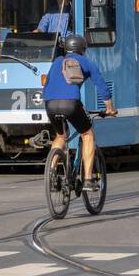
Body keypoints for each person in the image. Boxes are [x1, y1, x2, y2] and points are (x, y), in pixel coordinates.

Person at [42, 34, 116, 189]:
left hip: (49, 104)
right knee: (87, 134)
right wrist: (109, 108)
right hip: (71, 104)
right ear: (83, 49)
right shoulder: (86, 62)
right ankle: (88, 179)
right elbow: (102, 86)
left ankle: (51, 172)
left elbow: (48, 84)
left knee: (61, 136)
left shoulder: (56, 62)